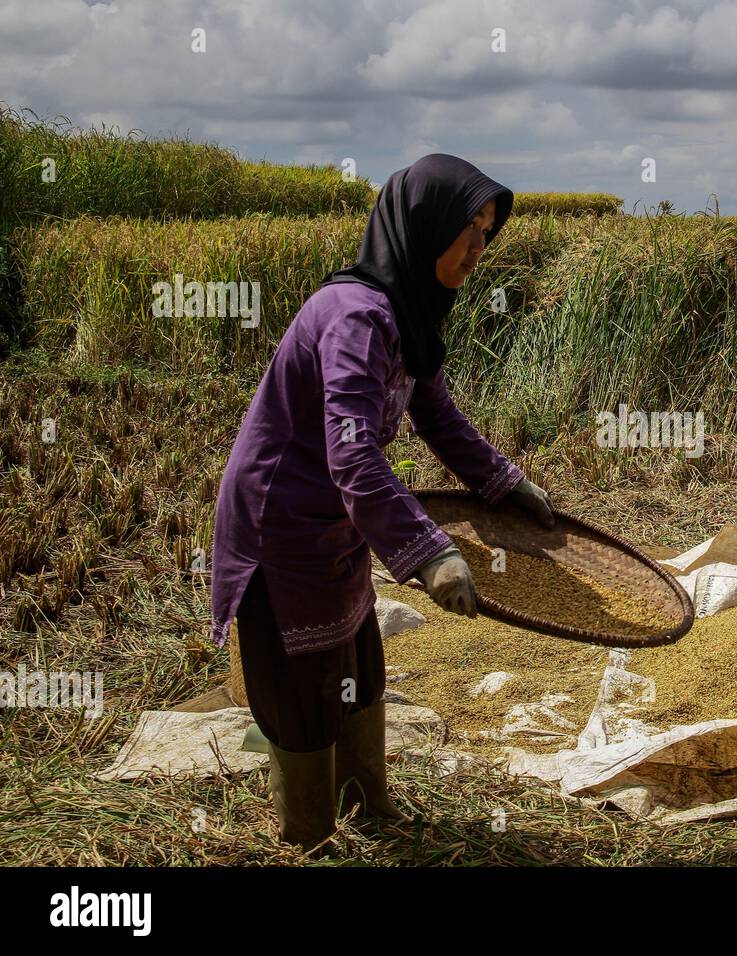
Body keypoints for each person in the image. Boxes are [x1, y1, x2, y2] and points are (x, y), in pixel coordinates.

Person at [208, 154, 554, 851]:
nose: (479, 250)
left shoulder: (409, 313)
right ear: (423, 228)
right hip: (282, 521)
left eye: (488, 233)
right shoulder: (356, 318)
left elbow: (439, 417)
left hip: (339, 517)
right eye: (469, 231)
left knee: (358, 662)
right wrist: (431, 555)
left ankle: (370, 807)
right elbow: (353, 453)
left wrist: (504, 482)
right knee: (302, 678)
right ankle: (308, 836)